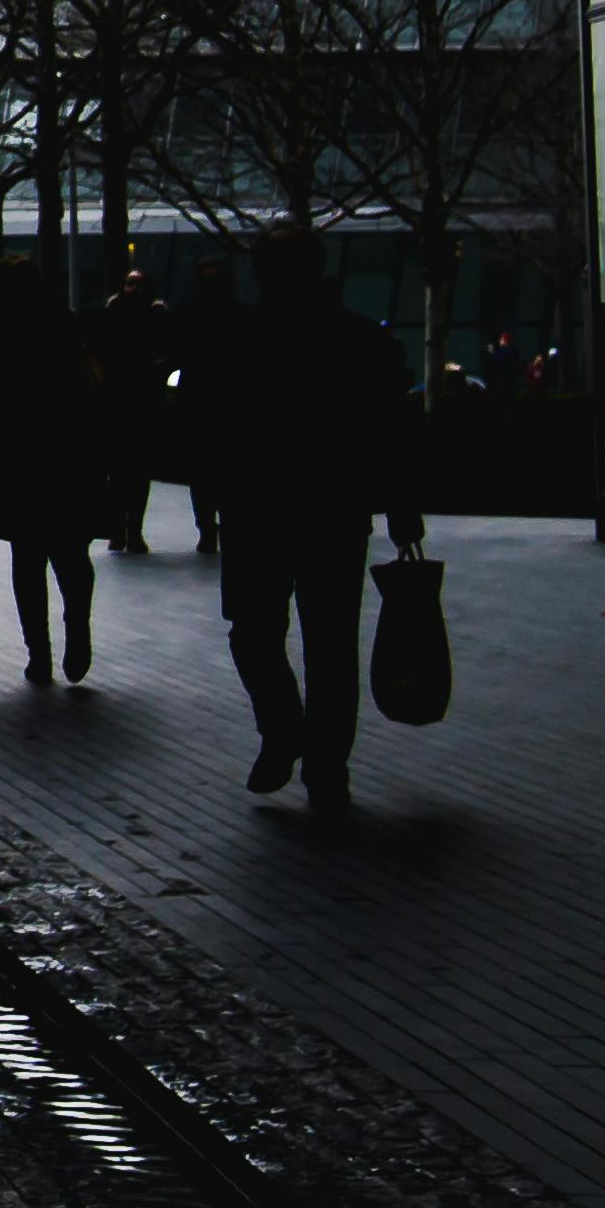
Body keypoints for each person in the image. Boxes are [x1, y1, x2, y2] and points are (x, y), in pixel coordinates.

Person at [185, 229, 425, 815]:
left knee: (253, 631)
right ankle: (326, 765)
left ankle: (283, 729)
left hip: (257, 509)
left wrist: (214, 492)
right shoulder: (360, 340)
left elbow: (208, 424)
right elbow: (390, 432)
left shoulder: (238, 339)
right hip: (334, 510)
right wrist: (400, 507)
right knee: (331, 644)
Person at [0, 250, 107, 682]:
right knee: (70, 552)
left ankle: (38, 651)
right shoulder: (66, 324)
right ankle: (77, 628)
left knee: (26, 558)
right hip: (67, 453)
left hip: (20, 455)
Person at [87, 266, 176, 556]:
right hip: (136, 400)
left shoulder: (113, 313)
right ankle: (128, 528)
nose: (133, 290)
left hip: (124, 401)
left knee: (126, 471)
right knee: (133, 472)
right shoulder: (155, 315)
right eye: (130, 284)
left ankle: (124, 529)